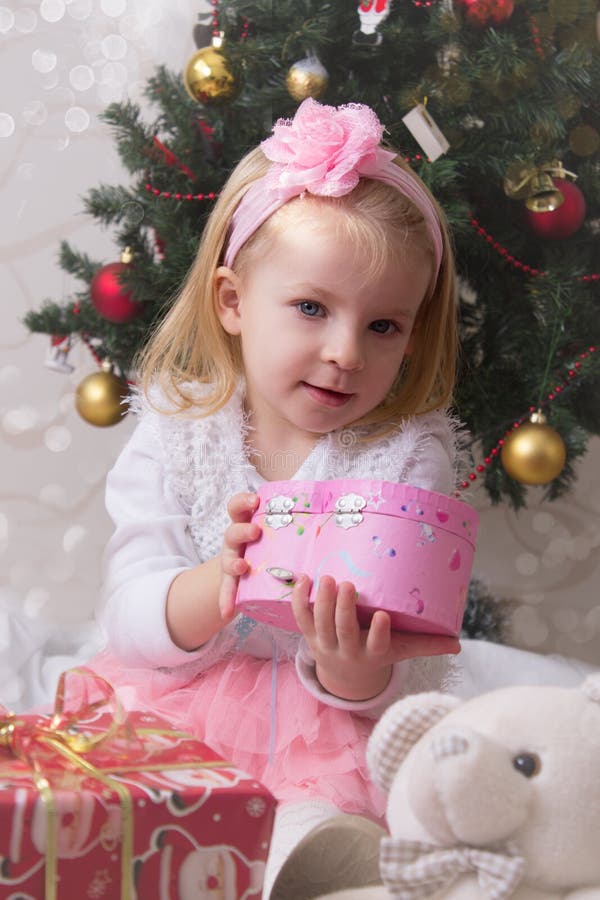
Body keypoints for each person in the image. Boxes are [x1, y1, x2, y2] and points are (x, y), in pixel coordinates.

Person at [90, 98, 464, 898]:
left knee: (312, 830)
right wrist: (214, 585)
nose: (344, 353)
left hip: (325, 730)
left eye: (385, 327)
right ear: (232, 302)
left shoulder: (406, 455)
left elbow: (395, 667)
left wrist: (351, 669)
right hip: (177, 707)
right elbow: (128, 610)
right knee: (134, 813)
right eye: (311, 308)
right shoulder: (176, 425)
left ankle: (305, 864)